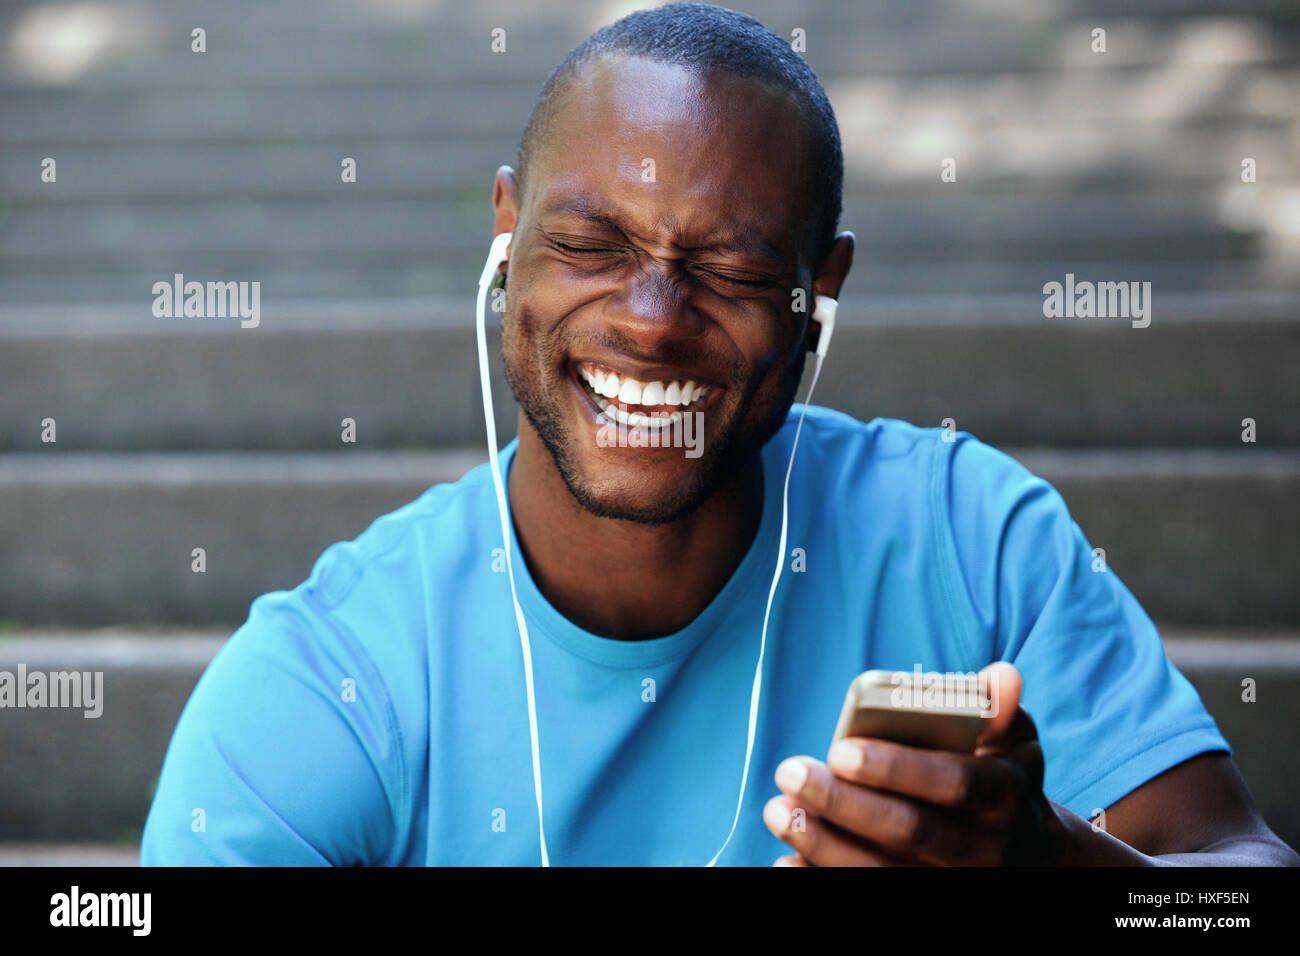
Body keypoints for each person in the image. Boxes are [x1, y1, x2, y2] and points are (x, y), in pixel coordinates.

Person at [141, 3, 1297, 866]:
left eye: (734, 267)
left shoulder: (969, 536)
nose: (650, 324)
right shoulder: (328, 682)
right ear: (508, 241)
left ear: (817, 292)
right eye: (591, 245)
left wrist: (1054, 864)